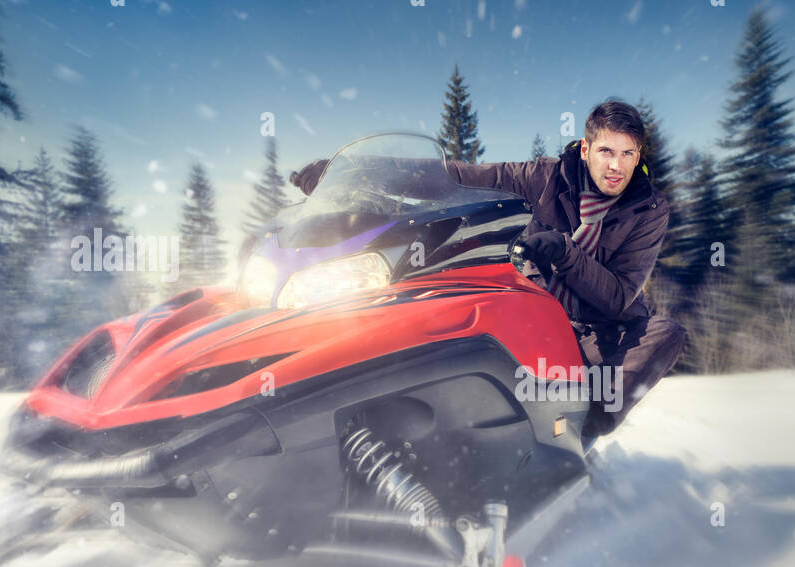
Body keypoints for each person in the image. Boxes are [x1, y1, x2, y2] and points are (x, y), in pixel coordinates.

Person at [290, 100, 686, 440]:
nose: (616, 166)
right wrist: (347, 175)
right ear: (585, 149)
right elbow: (453, 178)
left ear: (639, 157)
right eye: (606, 151)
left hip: (604, 330)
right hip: (541, 311)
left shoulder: (649, 210)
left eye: (627, 154)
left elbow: (617, 296)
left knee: (665, 332)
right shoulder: (545, 178)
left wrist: (566, 253)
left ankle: (584, 428)